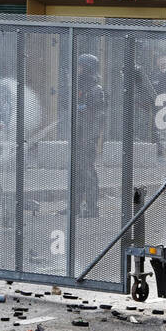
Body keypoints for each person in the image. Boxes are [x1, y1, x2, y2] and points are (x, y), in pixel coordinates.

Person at [74, 53, 107, 218]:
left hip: (87, 138)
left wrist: (90, 138)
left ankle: (92, 208)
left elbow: (98, 117)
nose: (77, 69)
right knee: (77, 171)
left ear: (87, 68)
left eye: (80, 66)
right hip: (78, 136)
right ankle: (75, 206)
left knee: (88, 171)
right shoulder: (80, 86)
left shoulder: (96, 90)